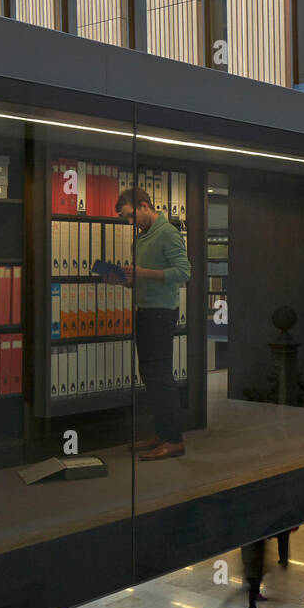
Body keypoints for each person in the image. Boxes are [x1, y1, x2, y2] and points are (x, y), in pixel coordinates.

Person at [117, 185, 191, 460]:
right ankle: (162, 433)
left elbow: (184, 272)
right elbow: (144, 277)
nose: (130, 222)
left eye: (131, 216)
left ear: (144, 205)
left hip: (161, 314)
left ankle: (174, 441)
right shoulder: (143, 236)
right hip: (145, 311)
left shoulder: (168, 233)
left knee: (161, 377)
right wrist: (129, 280)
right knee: (150, 376)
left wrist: (142, 272)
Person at [241, 539, 267, 608]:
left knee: (255, 585)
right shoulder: (251, 539)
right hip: (253, 566)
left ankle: (256, 596)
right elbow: (251, 554)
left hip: (253, 565)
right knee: (253, 588)